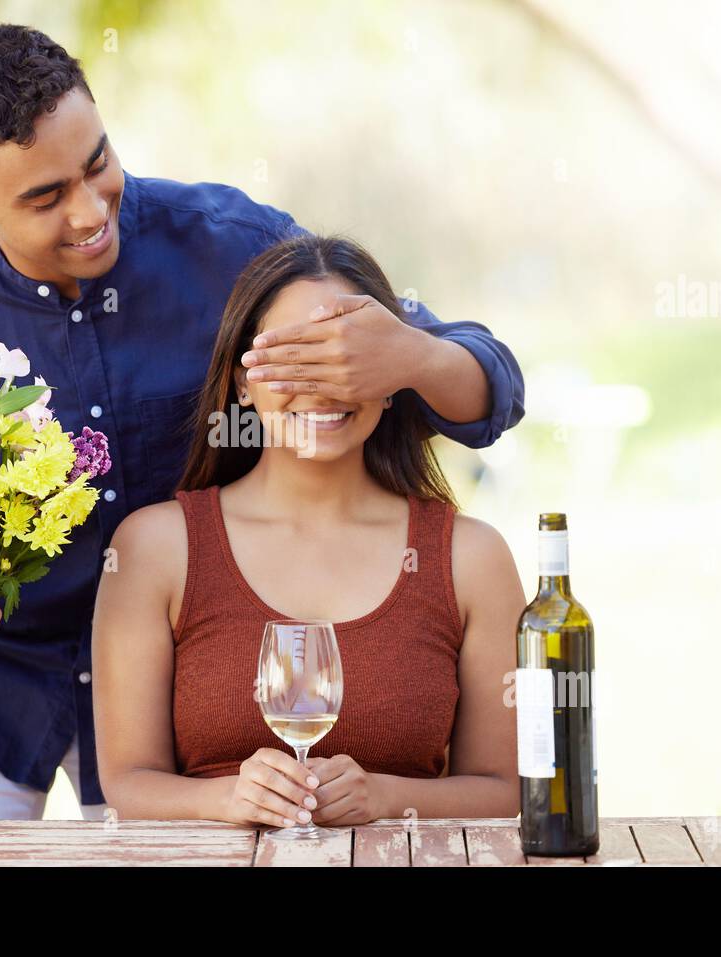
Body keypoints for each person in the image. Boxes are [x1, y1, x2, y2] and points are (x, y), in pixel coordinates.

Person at [0, 24, 525, 821]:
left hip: (183, 707)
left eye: (98, 163)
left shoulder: (233, 247)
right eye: (44, 196)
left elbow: (487, 378)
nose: (90, 209)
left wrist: (407, 356)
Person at [92, 234, 526, 826]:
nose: (320, 382)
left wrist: (385, 798)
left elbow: (506, 792)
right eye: (290, 354)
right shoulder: (153, 548)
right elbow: (127, 782)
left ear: (393, 377)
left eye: (342, 356)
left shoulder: (472, 558)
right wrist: (226, 799)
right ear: (242, 383)